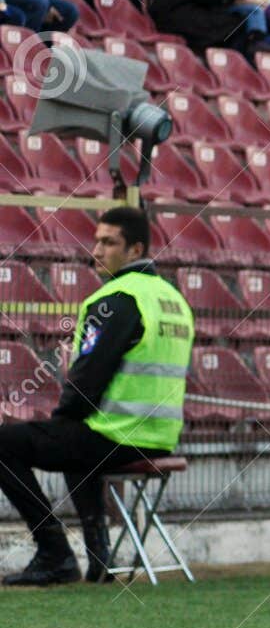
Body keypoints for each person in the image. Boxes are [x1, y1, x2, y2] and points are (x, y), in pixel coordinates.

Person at [1, 209, 194, 587]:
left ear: (135, 248)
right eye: (97, 241)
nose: (97, 250)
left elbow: (89, 375)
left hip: (117, 434)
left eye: (109, 242)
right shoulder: (174, 301)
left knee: (5, 443)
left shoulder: (117, 298)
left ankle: (54, 551)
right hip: (159, 437)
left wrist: (62, 416)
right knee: (75, 439)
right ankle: (97, 557)